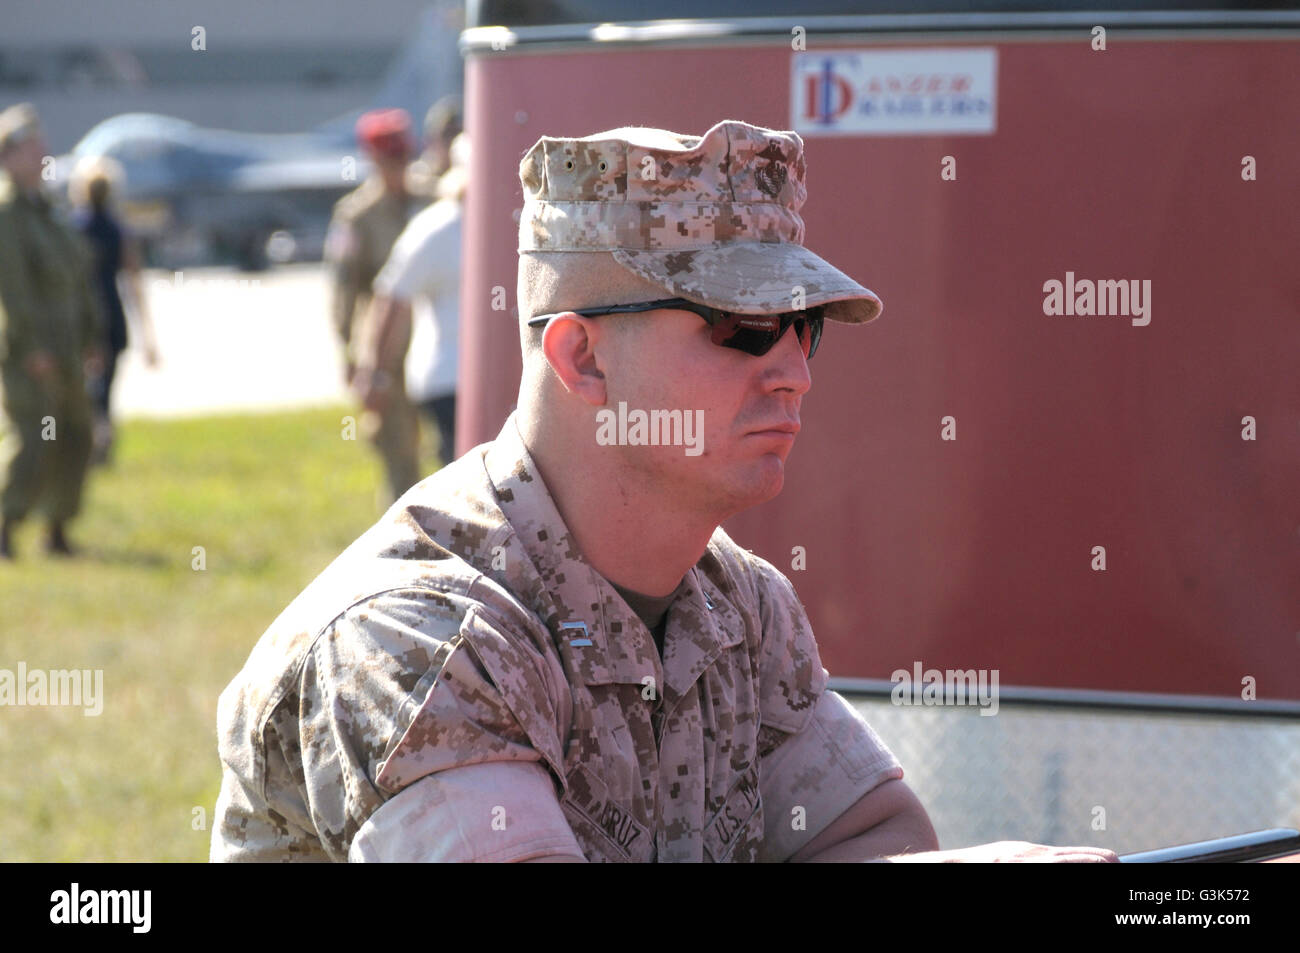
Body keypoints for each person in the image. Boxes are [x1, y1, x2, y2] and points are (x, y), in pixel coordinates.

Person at [212, 119, 1118, 863]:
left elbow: (874, 836)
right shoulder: (419, 636)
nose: (794, 373)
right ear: (582, 356)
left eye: (805, 327)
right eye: (746, 327)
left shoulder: (737, 603)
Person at [0, 103, 103, 559]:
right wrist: (30, 348)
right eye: (31, 146)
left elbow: (78, 278)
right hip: (32, 354)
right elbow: (11, 288)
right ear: (8, 156)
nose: (42, 153)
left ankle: (57, 530)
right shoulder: (7, 213)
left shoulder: (49, 209)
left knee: (75, 438)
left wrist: (93, 336)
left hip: (68, 350)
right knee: (33, 443)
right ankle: (5, 526)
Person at [324, 108, 427, 505]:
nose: (398, 169)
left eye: (403, 158)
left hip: (431, 336)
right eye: (389, 160)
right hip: (386, 347)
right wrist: (349, 352)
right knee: (397, 447)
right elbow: (343, 290)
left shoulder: (432, 197)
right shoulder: (356, 216)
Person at [356, 132, 466, 467]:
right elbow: (389, 298)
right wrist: (374, 372)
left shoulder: (506, 222)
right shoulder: (435, 227)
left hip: (474, 374)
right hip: (446, 376)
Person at [68, 154, 160, 466]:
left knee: (84, 385)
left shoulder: (71, 230)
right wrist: (149, 336)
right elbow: (135, 282)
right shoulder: (119, 231)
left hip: (80, 316)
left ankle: (88, 443)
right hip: (111, 311)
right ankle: (101, 439)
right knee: (105, 387)